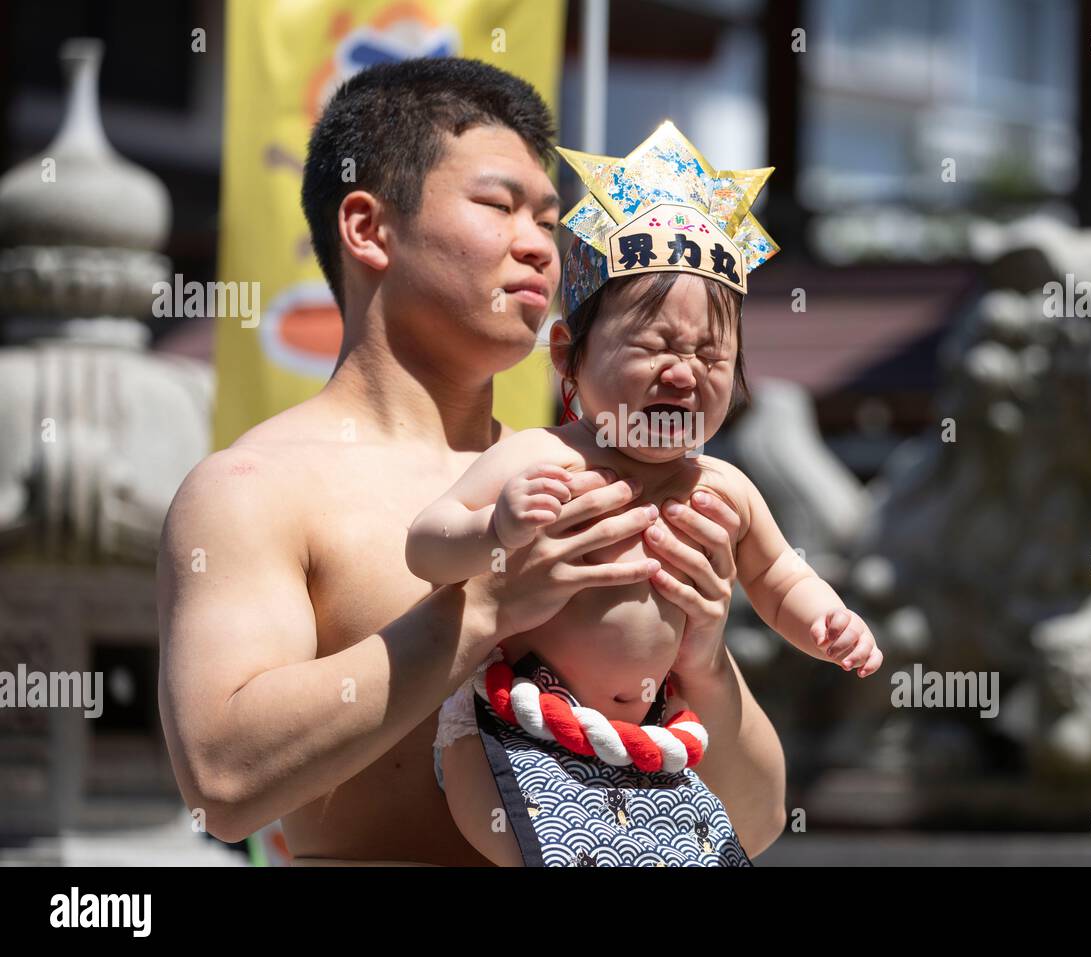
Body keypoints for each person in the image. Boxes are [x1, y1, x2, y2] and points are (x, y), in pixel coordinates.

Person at [156, 58, 787, 865]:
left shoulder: (605, 477)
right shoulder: (258, 487)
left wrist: (704, 659)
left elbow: (758, 820)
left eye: (549, 219)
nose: (539, 248)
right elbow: (222, 778)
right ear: (367, 226)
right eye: (499, 206)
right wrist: (483, 607)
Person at [407, 121, 882, 867]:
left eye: (709, 354)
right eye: (653, 346)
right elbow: (427, 542)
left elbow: (779, 575)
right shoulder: (539, 458)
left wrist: (828, 623)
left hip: (651, 746)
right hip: (514, 721)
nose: (683, 372)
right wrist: (494, 528)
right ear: (568, 355)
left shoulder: (724, 486)